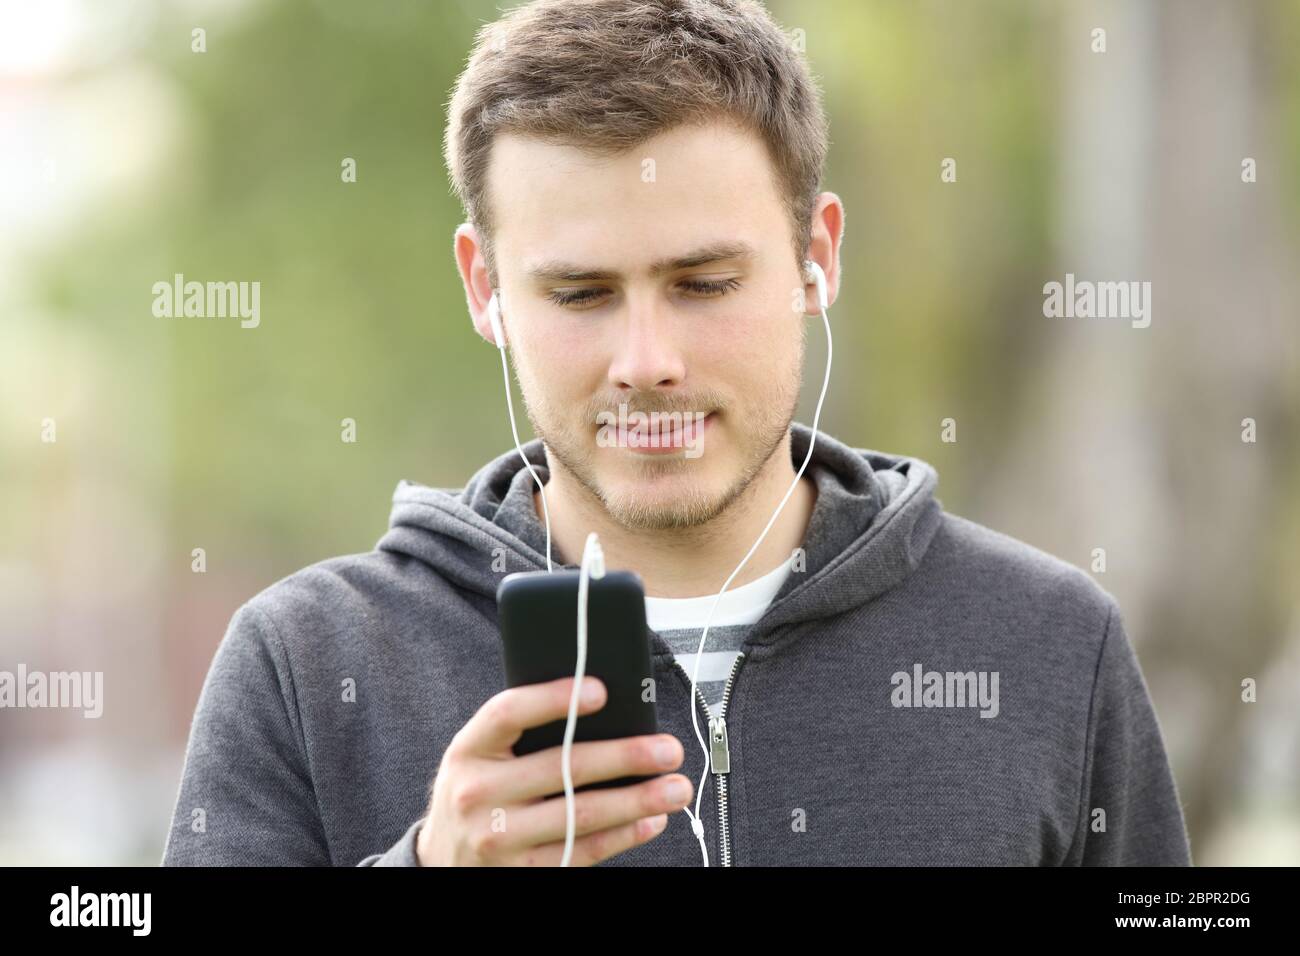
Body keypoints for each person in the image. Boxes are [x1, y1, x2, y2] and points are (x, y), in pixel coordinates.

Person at [163, 0, 1191, 866]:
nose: (645, 356)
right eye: (579, 291)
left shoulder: (1050, 642)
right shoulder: (304, 664)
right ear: (484, 287)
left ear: (815, 258)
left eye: (703, 282)